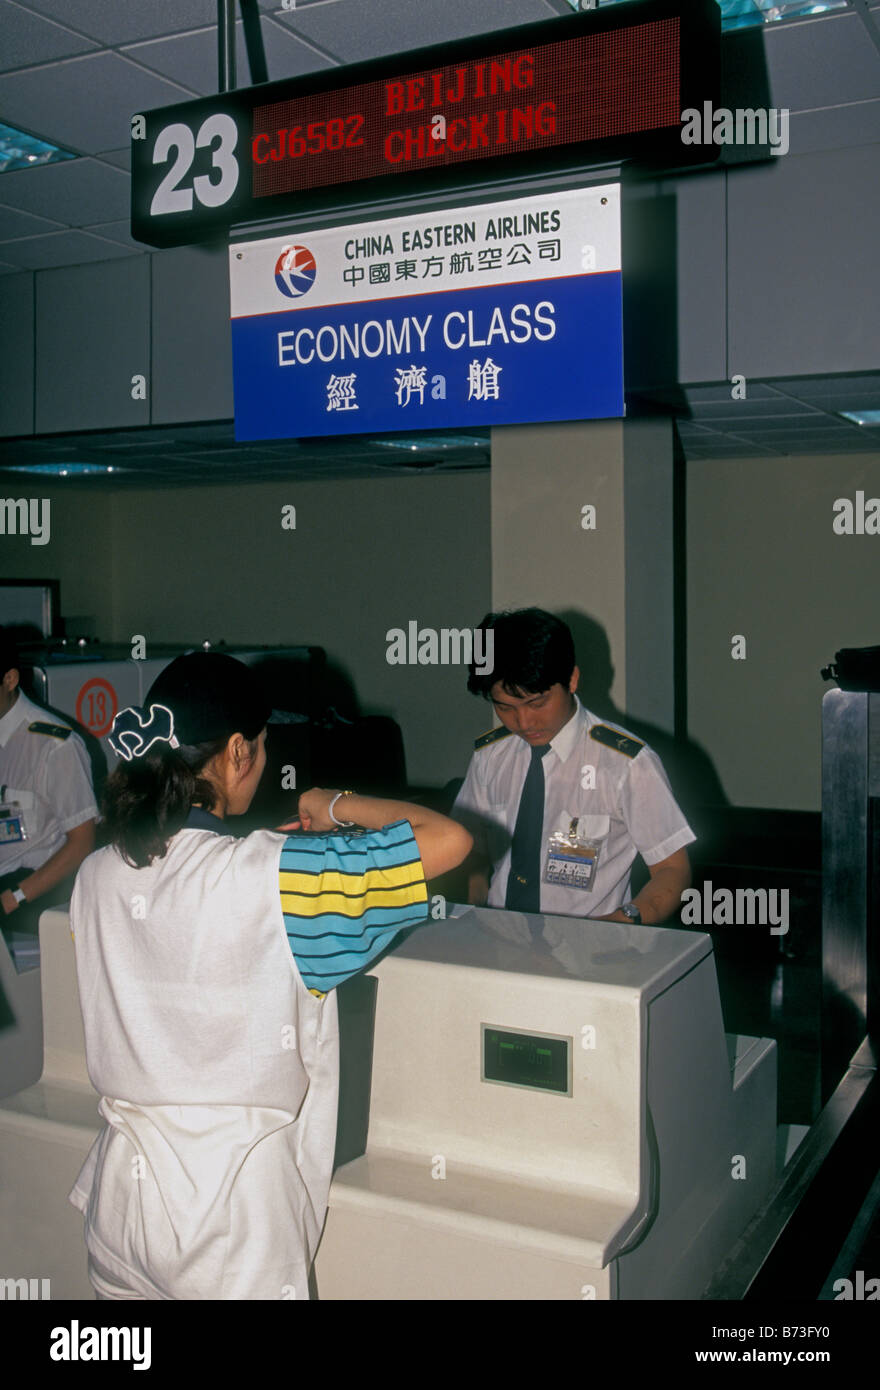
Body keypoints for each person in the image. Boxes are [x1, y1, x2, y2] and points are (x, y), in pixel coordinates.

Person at [67, 651, 471, 1301]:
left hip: (121, 1200)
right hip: (230, 1220)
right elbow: (447, 840)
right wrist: (333, 804)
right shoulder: (273, 875)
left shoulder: (98, 873)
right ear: (236, 753)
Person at [452, 609, 693, 925]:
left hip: (589, 951)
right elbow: (473, 848)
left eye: (537, 703)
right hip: (500, 943)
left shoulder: (627, 763)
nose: (524, 722)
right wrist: (475, 892)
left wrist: (624, 922)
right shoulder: (490, 755)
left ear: (571, 679)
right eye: (504, 707)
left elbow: (672, 870)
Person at [0, 628, 97, 956]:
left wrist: (14, 898)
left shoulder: (54, 745)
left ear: (10, 679)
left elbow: (82, 842)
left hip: (30, 897)